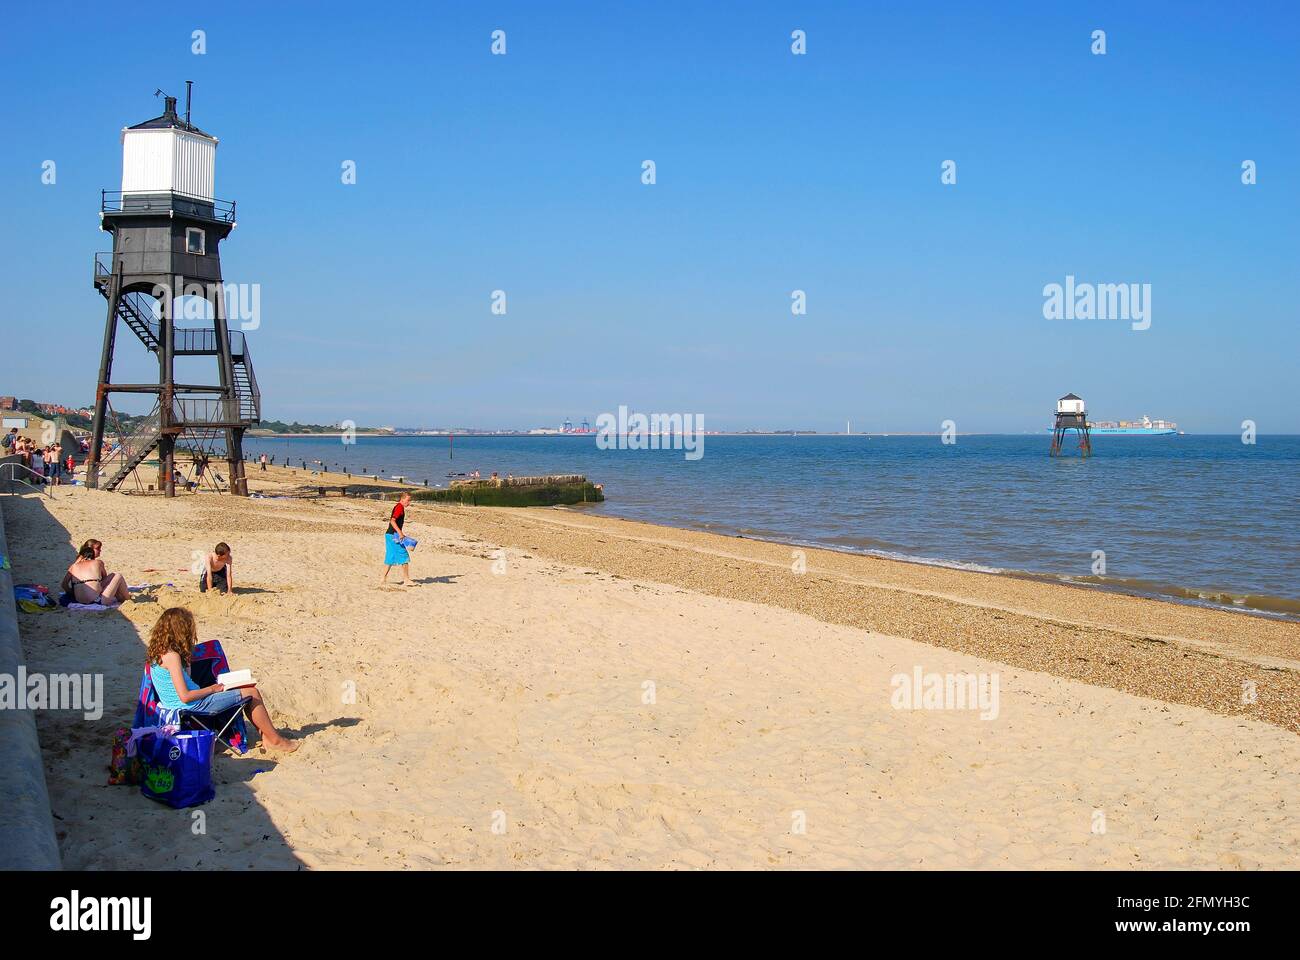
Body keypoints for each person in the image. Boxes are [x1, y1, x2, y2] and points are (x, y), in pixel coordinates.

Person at [147, 607, 297, 753]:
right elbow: (185, 696)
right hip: (194, 705)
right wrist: (212, 689)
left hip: (178, 705)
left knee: (242, 689)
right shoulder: (172, 656)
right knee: (252, 693)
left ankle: (267, 736)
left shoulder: (157, 653)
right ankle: (275, 741)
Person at [61, 539, 131, 605]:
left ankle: (122, 597)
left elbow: (64, 584)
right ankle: (128, 599)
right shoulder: (98, 563)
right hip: (97, 601)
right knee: (118, 576)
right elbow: (105, 580)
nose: (100, 550)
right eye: (98, 548)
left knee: (112, 575)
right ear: (90, 549)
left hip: (79, 600)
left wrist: (73, 593)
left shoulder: (73, 566)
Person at [381, 492, 414, 585]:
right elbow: (392, 521)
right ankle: (406, 580)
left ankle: (383, 579)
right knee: (404, 556)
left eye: (410, 500)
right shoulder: (399, 507)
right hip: (393, 536)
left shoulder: (399, 507)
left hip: (389, 535)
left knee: (390, 557)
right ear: (402, 499)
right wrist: (400, 533)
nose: (409, 503)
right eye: (408, 500)